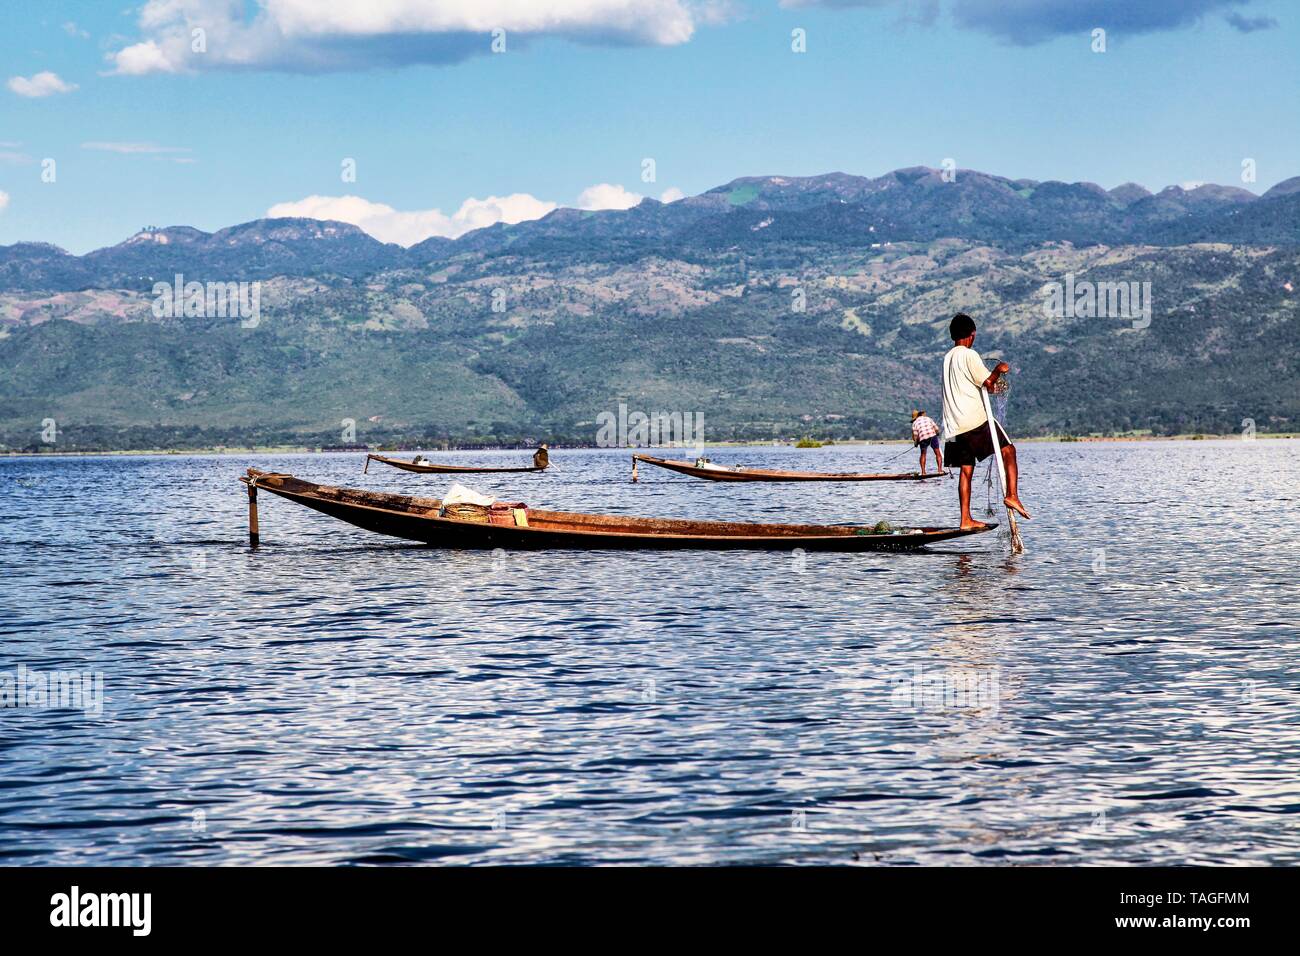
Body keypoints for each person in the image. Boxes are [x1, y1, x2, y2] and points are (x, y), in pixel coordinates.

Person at [941, 313, 1030, 530]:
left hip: (953, 426)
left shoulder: (947, 357)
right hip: (975, 420)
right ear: (971, 335)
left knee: (966, 469)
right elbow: (988, 383)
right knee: (1009, 450)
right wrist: (999, 370)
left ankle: (965, 519)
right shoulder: (969, 356)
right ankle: (1012, 495)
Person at [910, 409, 943, 475]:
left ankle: (923, 472)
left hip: (923, 438)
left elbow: (915, 436)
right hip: (932, 435)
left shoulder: (914, 423)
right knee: (937, 453)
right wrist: (937, 433)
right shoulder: (928, 418)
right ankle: (939, 470)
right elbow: (936, 429)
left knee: (923, 454)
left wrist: (916, 443)